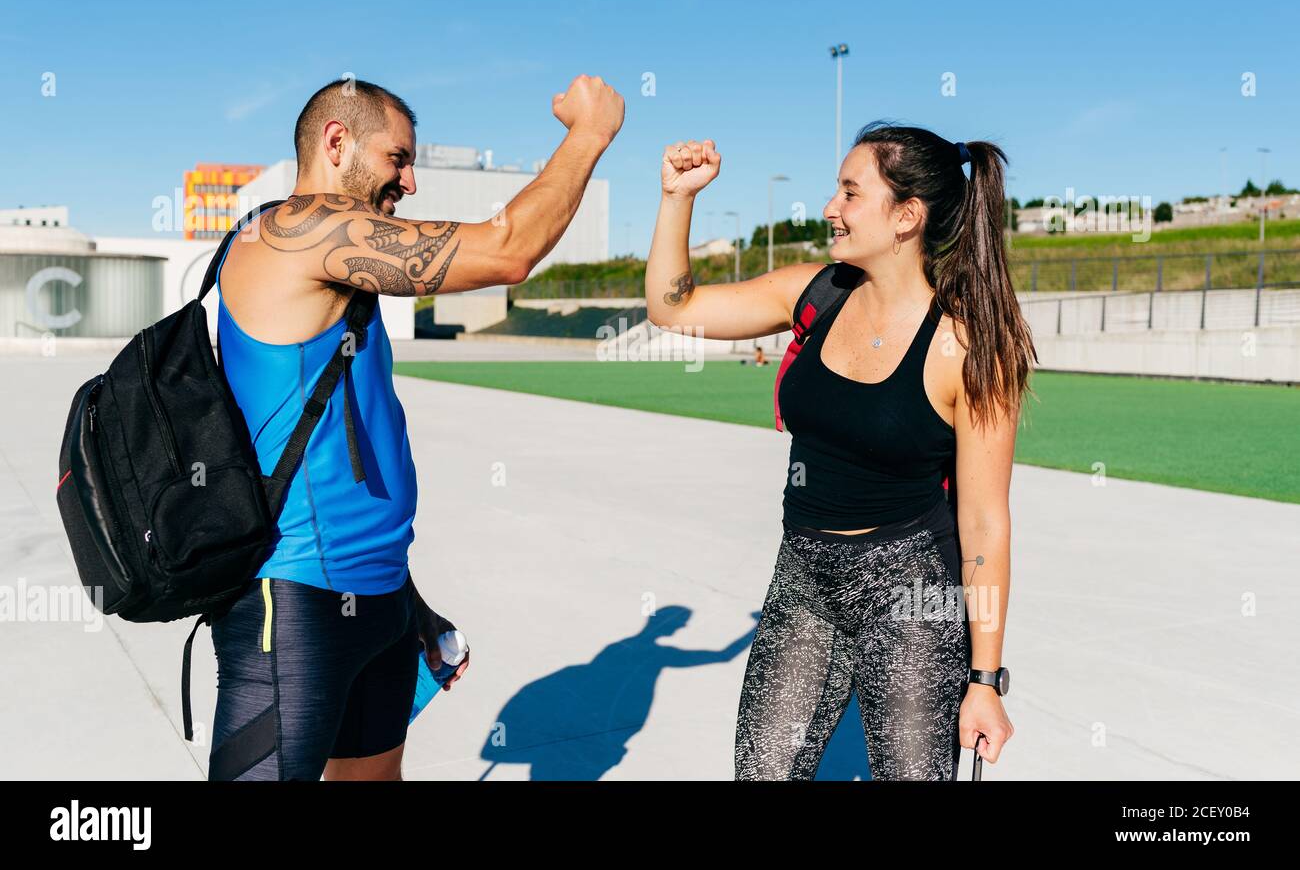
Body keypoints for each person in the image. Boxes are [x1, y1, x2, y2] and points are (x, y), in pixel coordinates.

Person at [209, 75, 624, 780]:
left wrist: (405, 598)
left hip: (378, 595)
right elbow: (507, 250)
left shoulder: (341, 270)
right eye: (398, 158)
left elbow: (340, 455)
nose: (411, 179)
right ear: (337, 142)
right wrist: (588, 133)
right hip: (294, 602)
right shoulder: (295, 232)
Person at [645, 122, 1034, 779]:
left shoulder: (967, 348)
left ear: (906, 216)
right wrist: (678, 197)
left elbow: (985, 523)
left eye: (851, 193)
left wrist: (985, 680)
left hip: (913, 592)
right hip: (803, 577)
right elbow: (671, 308)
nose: (831, 208)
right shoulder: (815, 293)